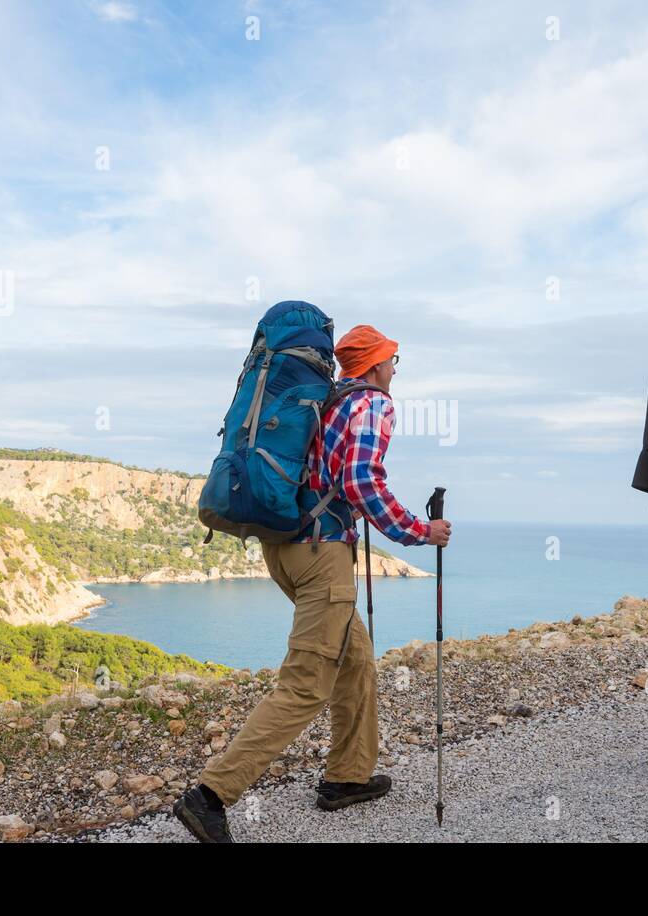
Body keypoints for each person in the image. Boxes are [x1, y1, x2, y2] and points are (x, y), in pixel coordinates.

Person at [174, 324, 452, 842]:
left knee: (355, 660)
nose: (395, 370)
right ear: (375, 364)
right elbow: (360, 480)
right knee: (306, 685)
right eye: (394, 360)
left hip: (284, 548)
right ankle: (209, 796)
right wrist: (420, 531)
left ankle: (348, 776)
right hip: (322, 556)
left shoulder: (327, 400)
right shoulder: (371, 404)